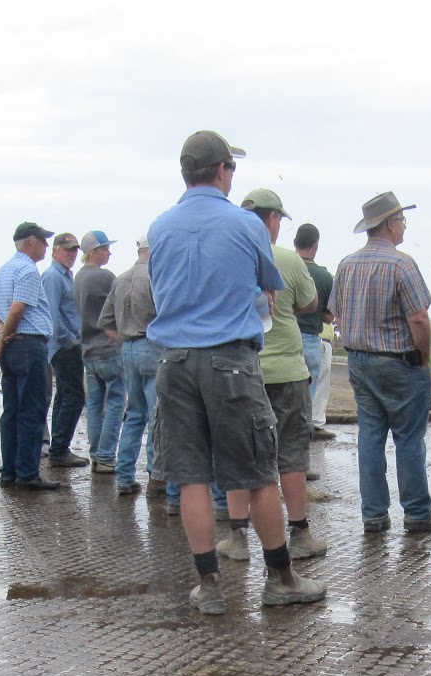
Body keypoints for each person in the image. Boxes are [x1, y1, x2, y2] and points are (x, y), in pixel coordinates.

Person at [146, 129, 325, 613]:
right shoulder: (246, 225)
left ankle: (209, 586)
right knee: (258, 473)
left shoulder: (160, 227)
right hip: (231, 361)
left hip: (174, 362)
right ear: (224, 170)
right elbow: (270, 289)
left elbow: (160, 291)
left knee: (192, 478)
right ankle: (281, 578)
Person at [333, 191, 431, 535]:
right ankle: (417, 512)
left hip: (359, 360)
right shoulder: (402, 264)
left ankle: (373, 514)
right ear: (388, 224)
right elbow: (419, 318)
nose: (404, 226)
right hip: (399, 362)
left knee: (370, 436)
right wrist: (424, 359)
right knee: (409, 438)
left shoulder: (346, 264)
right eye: (402, 220)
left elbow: (336, 313)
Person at [216, 189, 323, 561]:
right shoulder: (288, 259)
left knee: (239, 456)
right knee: (291, 454)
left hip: (242, 369)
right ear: (273, 219)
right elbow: (310, 302)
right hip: (288, 372)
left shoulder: (226, 255)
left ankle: (237, 537)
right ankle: (300, 535)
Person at [0, 222, 64, 491]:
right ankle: (28, 473)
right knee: (31, 410)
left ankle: (9, 471)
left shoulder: (3, 270)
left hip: (12, 346)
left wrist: (1, 331)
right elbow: (18, 309)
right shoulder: (27, 271)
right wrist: (3, 335)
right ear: (30, 242)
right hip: (29, 345)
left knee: (11, 410)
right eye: (42, 241)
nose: (46, 246)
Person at [100, 235, 158, 495]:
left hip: (128, 348)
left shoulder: (120, 279)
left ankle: (124, 477)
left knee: (134, 414)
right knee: (157, 415)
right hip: (152, 346)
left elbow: (105, 322)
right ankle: (156, 476)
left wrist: (124, 339)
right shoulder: (155, 277)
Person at [74, 231, 126, 473]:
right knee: (116, 401)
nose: (109, 253)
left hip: (88, 348)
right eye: (105, 249)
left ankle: (97, 454)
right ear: (93, 252)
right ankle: (105, 456)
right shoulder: (105, 277)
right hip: (108, 347)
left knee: (94, 402)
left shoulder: (78, 277)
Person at [42, 232, 88, 468]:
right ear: (55, 250)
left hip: (66, 344)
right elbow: (52, 315)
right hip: (63, 346)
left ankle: (59, 447)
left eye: (74, 250)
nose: (71, 254)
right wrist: (70, 340)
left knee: (64, 395)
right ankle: (59, 450)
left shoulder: (66, 276)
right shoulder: (52, 277)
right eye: (67, 249)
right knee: (74, 396)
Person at [294, 222, 336, 438]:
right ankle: (302, 439)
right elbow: (329, 316)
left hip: (283, 337)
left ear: (295, 242)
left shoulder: (285, 267)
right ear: (316, 246)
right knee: (307, 395)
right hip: (311, 339)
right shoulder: (324, 277)